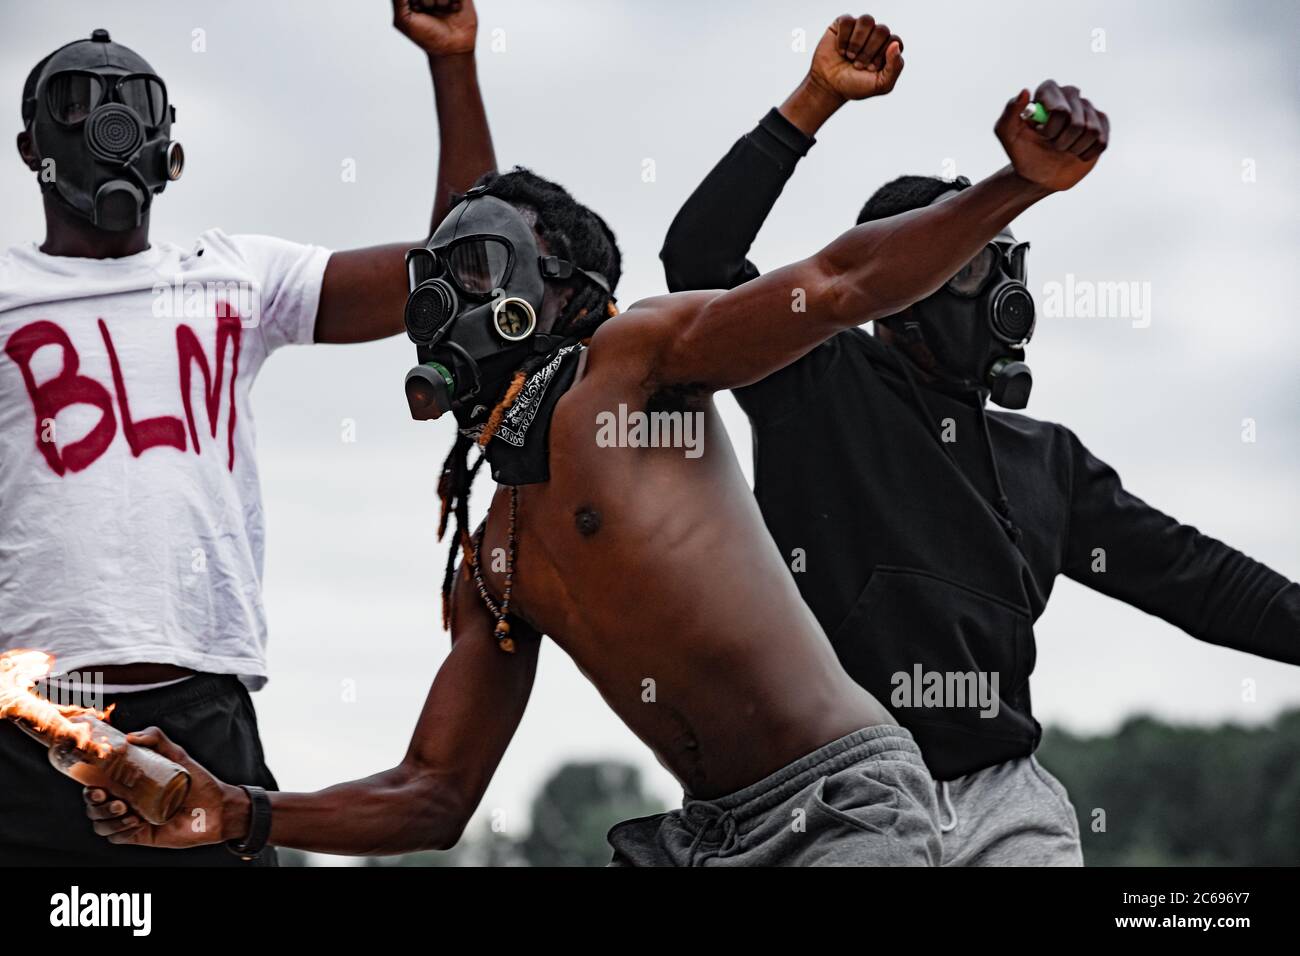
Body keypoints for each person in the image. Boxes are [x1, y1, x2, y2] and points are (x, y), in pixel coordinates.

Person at [83, 13, 1112, 867]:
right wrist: (238, 809)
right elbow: (432, 792)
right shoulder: (494, 556)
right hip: (703, 835)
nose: (450, 293)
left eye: (482, 265)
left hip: (839, 809)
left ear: (567, 287)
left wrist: (1007, 188)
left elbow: (841, 283)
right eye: (437, 274)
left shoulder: (636, 361)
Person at [656, 14, 1300, 865]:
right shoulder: (815, 380)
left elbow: (1202, 582)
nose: (995, 288)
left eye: (1004, 262)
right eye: (963, 265)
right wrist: (812, 103)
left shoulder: (1048, 463)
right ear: (895, 289)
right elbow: (698, 259)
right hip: (832, 791)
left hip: (1004, 800)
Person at [0, 0, 495, 866]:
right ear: (30, 149)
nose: (110, 128)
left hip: (197, 717)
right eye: (81, 107)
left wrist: (451, 63)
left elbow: (467, 273)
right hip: (24, 721)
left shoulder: (235, 274)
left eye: (133, 108)